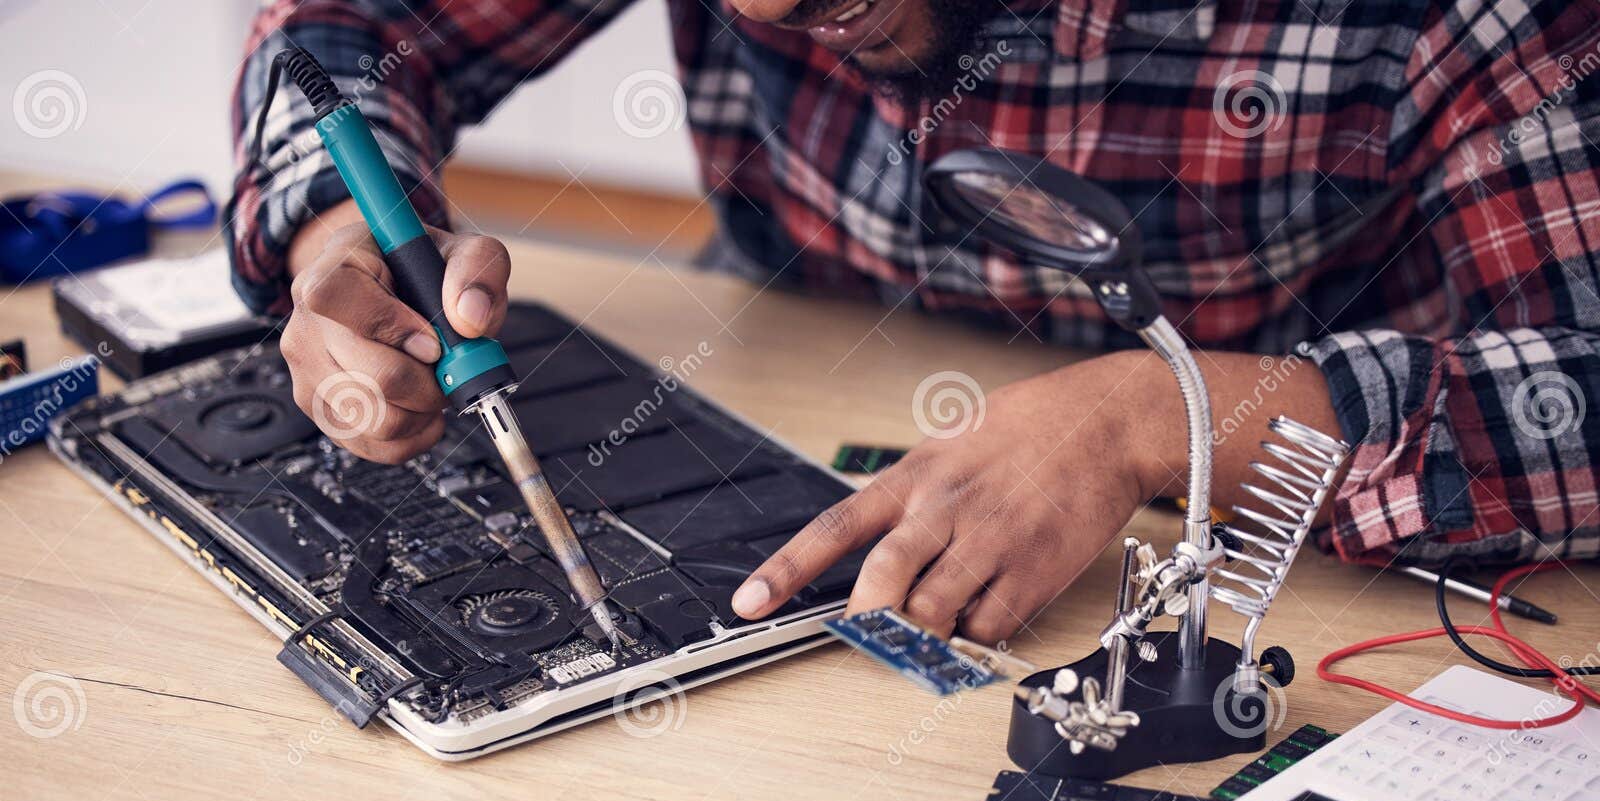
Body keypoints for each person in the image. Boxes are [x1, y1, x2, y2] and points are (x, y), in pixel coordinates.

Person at [229, 0, 1600, 644]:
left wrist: (1151, 418)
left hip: (1298, 534)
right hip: (784, 363)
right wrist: (342, 239)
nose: (765, 9)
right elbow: (336, 32)